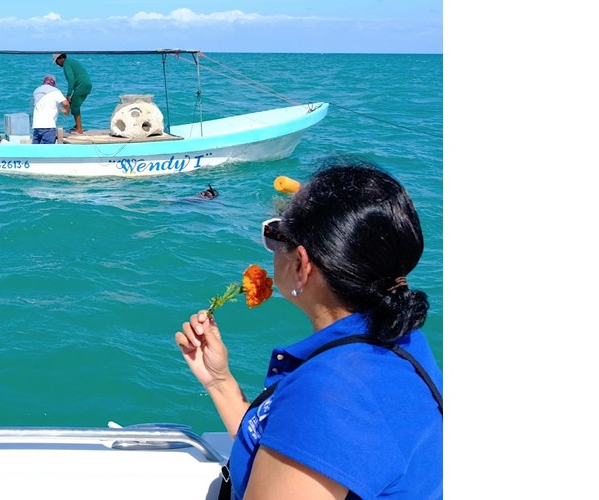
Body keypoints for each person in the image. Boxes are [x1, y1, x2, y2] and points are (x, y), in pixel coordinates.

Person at [175, 160, 443, 499]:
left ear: (302, 264)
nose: (271, 246)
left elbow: (322, 424)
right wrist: (220, 382)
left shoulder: (332, 391)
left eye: (275, 234)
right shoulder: (399, 342)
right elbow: (304, 446)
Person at [53, 53, 92, 134]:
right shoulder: (71, 61)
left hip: (82, 86)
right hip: (85, 85)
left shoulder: (66, 65)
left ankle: (79, 129)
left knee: (74, 106)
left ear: (60, 59)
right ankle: (76, 126)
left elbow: (71, 79)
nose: (57, 64)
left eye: (56, 62)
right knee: (74, 104)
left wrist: (68, 94)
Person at [30, 74, 70, 144]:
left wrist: (60, 109)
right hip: (48, 126)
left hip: (36, 126)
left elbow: (45, 105)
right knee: (47, 151)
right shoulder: (55, 91)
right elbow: (66, 103)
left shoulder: (36, 91)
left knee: (36, 150)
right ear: (53, 83)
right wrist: (67, 111)